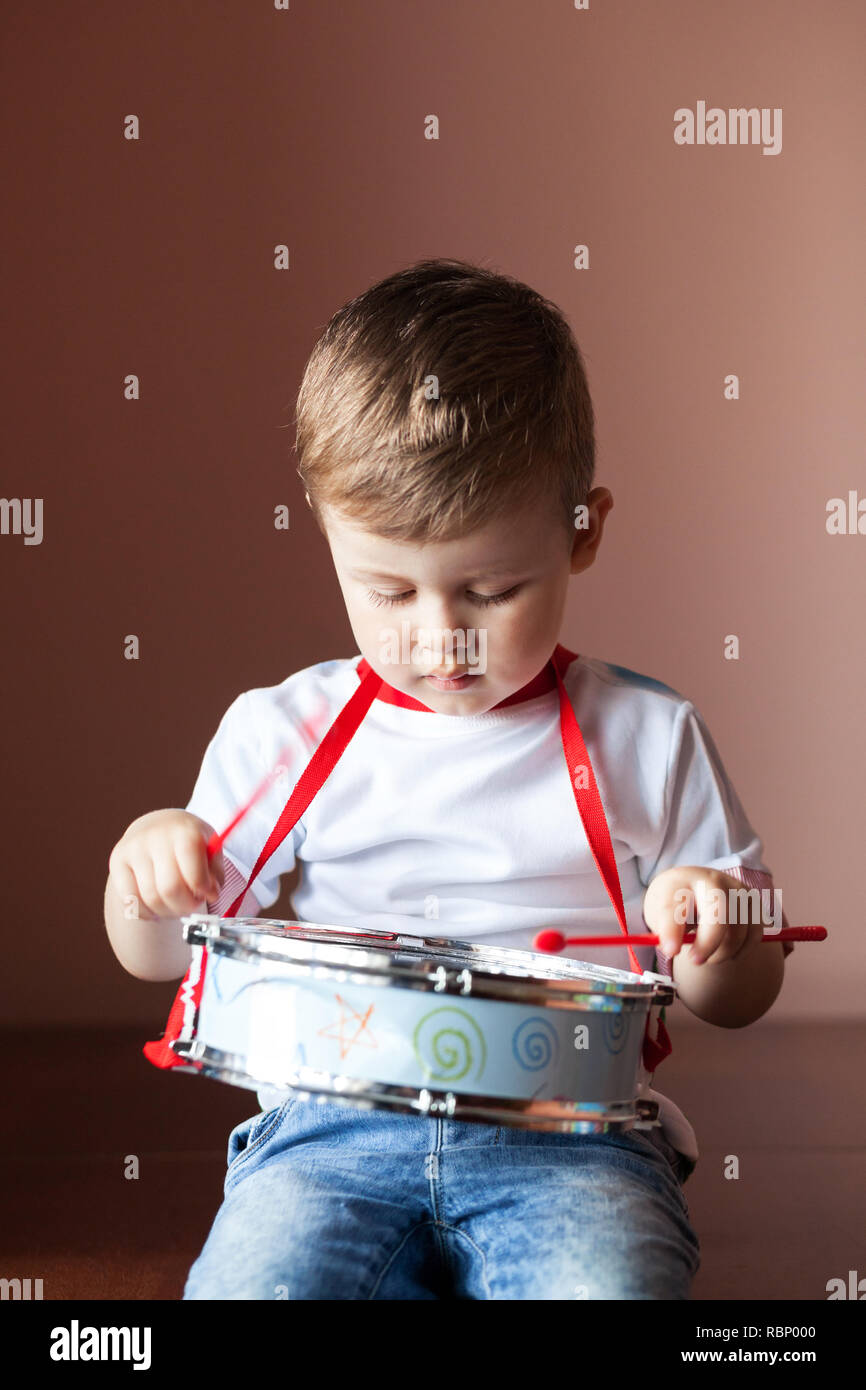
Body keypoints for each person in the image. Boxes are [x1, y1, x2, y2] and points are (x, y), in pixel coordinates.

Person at [104, 258, 793, 1299]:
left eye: (489, 588)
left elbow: (739, 994)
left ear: (583, 530)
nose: (440, 640)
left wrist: (716, 931)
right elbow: (161, 955)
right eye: (384, 591)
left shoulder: (649, 736)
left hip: (573, 1142)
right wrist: (144, 871)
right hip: (326, 1136)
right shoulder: (281, 734)